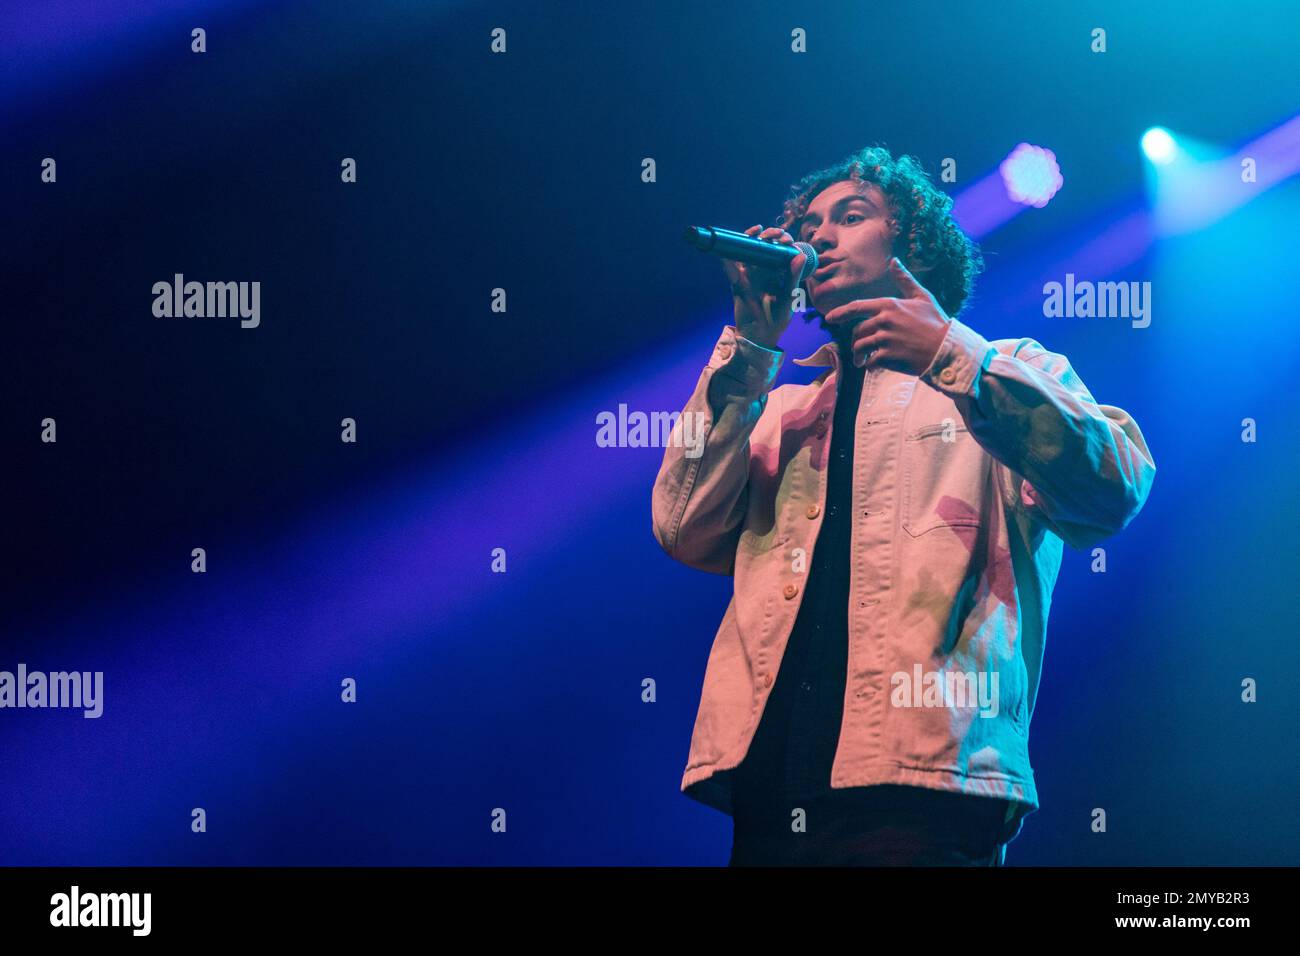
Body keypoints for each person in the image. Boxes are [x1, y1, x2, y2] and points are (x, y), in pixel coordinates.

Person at [651, 145, 1157, 866]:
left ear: (911, 244)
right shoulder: (780, 409)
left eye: (849, 216)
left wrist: (954, 354)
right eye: (809, 223)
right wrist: (751, 341)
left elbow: (1112, 489)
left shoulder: (1007, 369)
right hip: (770, 797)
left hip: (924, 797)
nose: (818, 235)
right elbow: (680, 528)